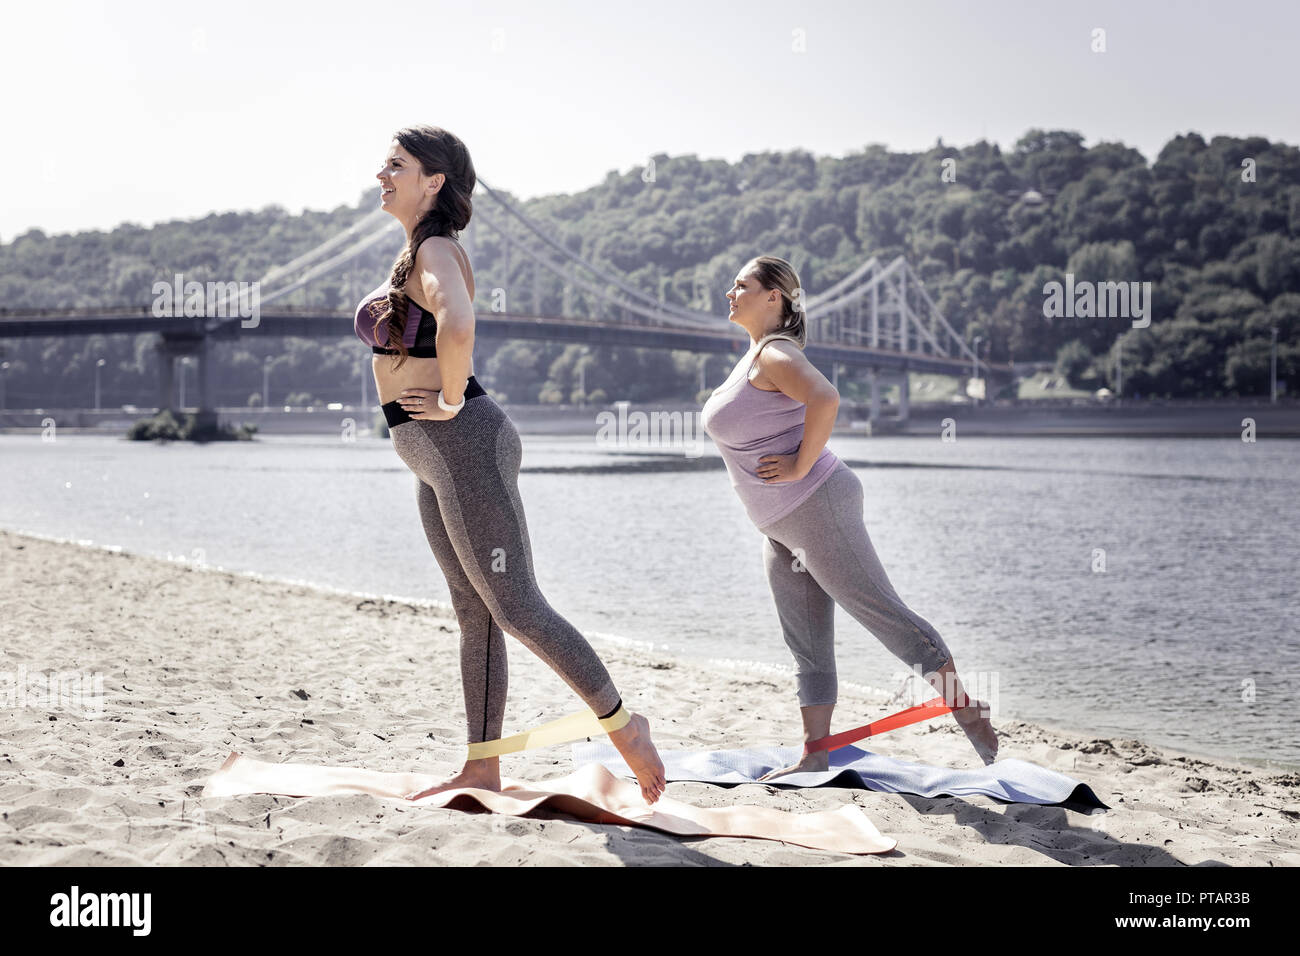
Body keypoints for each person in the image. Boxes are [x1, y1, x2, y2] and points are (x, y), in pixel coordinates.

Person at [355, 124, 665, 803]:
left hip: (462, 444)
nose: (382, 174)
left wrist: (450, 395)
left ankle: (623, 725)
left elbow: (459, 325)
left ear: (433, 181)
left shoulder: (434, 247)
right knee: (476, 613)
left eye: (396, 165)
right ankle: (483, 764)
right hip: (435, 454)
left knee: (517, 606)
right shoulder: (417, 252)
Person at [700, 256, 999, 780]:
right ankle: (814, 753)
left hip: (817, 506)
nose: (730, 292)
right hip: (780, 525)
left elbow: (826, 398)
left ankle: (970, 713)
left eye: (741, 285)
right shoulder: (753, 354)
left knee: (884, 617)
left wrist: (798, 465)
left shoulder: (774, 353)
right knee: (807, 643)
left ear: (774, 297)